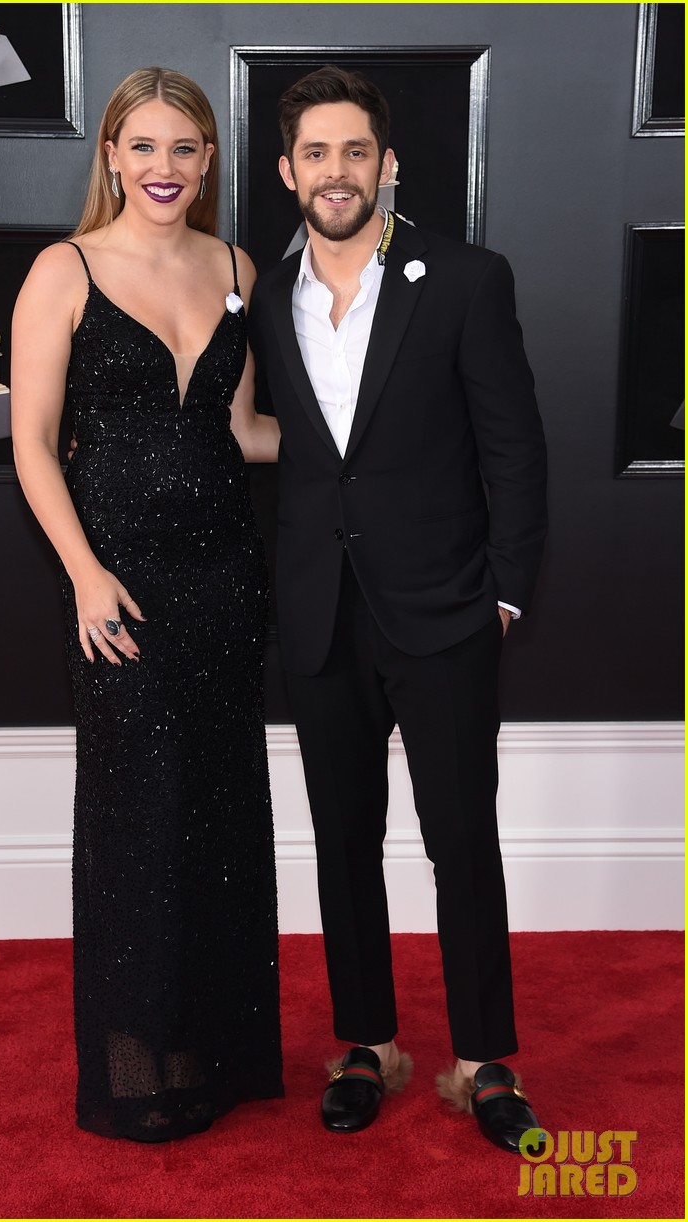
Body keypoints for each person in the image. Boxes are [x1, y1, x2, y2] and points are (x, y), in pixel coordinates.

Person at [246, 65, 548, 1152]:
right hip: (321, 612)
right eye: (316, 154)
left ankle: (483, 1060)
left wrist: (505, 592)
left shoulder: (465, 279)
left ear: (389, 164)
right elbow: (283, 446)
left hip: (446, 610)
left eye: (355, 152)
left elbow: (513, 443)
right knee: (341, 838)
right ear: (288, 173)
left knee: (461, 835)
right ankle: (367, 1044)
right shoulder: (264, 298)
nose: (337, 172)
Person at [11, 67, 282, 1142]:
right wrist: (83, 571)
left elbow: (247, 430)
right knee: (140, 824)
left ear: (208, 161)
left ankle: (215, 1055)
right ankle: (139, 1072)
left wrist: (374, 446)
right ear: (112, 157)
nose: (164, 168)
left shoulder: (237, 268)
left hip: (224, 578)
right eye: (144, 147)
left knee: (218, 817)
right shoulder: (62, 269)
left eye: (185, 148)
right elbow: (30, 445)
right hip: (117, 580)